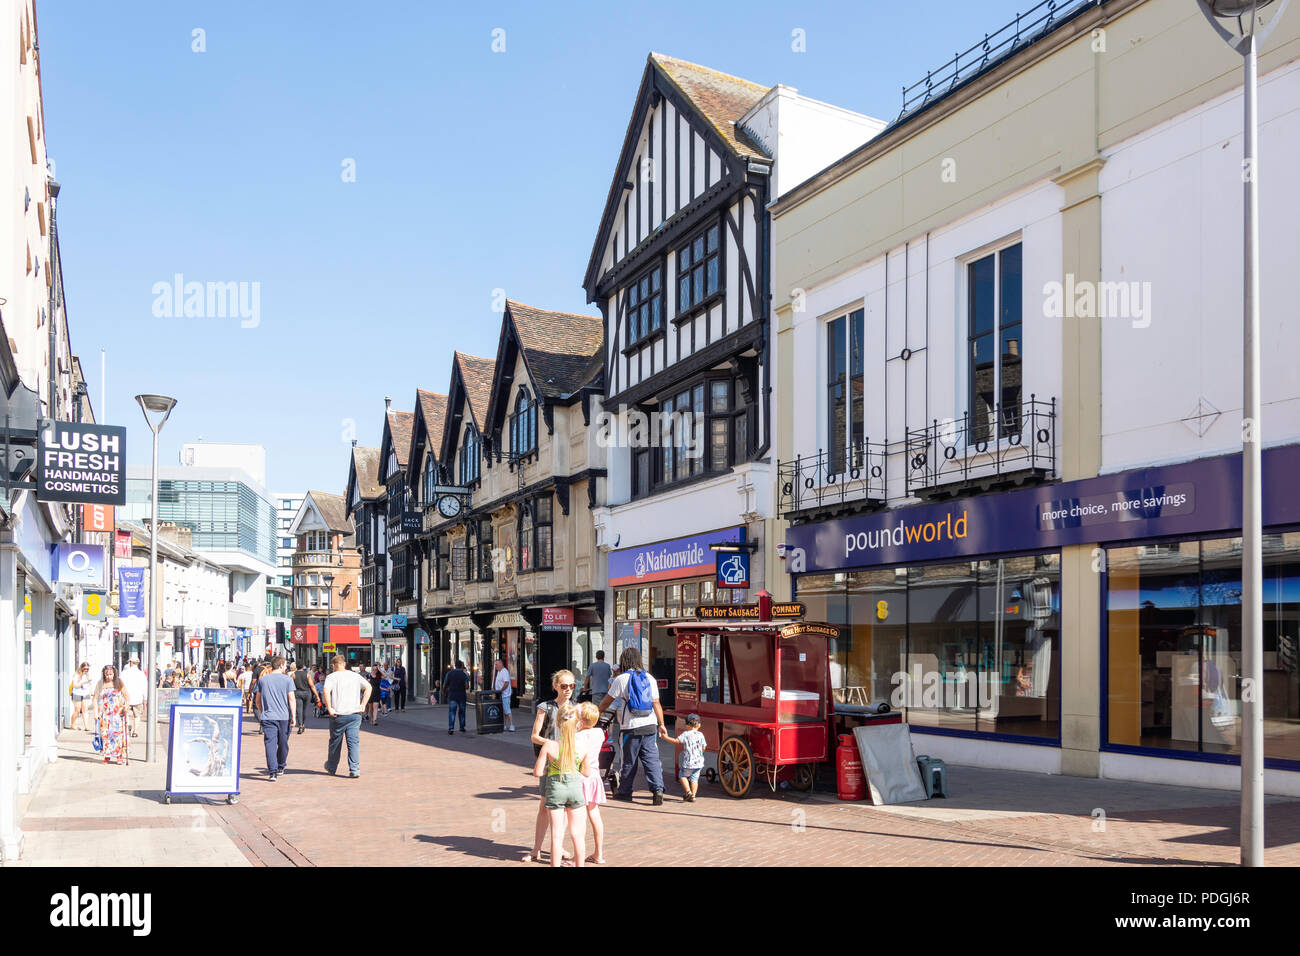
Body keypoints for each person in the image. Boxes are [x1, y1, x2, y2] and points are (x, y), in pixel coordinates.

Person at [598, 647, 666, 805]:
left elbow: (606, 702)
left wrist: (595, 714)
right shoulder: (650, 678)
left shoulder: (621, 679)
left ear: (624, 661)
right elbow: (656, 703)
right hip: (650, 725)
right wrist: (661, 724)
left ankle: (625, 792)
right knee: (652, 760)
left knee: (628, 760)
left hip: (631, 726)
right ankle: (658, 790)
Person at [525, 669, 577, 863]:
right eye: (564, 686)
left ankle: (558, 845)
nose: (568, 690)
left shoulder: (576, 708)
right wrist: (552, 744)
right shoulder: (545, 707)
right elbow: (534, 735)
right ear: (555, 686)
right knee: (545, 806)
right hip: (550, 762)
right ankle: (536, 848)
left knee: (563, 808)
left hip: (569, 763)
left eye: (572, 686)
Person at [530, 703, 588, 868]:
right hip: (575, 790)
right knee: (577, 834)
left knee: (557, 835)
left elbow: (537, 772)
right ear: (578, 724)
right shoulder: (583, 746)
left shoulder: (550, 745)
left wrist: (551, 767)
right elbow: (586, 772)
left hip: (556, 790)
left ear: (557, 724)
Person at [323, 654, 371, 778]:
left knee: (335, 742)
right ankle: (354, 769)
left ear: (333, 666)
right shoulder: (355, 676)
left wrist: (329, 708)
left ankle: (331, 767)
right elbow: (368, 687)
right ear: (344, 664)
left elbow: (326, 691)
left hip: (338, 714)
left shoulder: (331, 677)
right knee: (353, 742)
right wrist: (363, 705)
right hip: (354, 714)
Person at [254, 656, 296, 781]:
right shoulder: (288, 680)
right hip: (284, 717)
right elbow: (291, 699)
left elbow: (257, 700)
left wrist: (262, 711)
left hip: (268, 716)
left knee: (270, 743)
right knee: (283, 743)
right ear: (282, 665)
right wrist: (293, 716)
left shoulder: (263, 680)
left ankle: (272, 771)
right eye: (285, 665)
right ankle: (280, 766)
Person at [576, 701, 607, 863]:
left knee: (578, 819)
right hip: (594, 777)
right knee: (595, 815)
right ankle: (598, 853)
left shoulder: (578, 736)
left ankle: (577, 856)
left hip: (581, 777)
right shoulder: (599, 733)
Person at [659, 712, 706, 802]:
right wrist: (700, 753)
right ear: (699, 725)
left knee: (682, 775)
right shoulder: (701, 735)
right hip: (699, 762)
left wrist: (665, 737)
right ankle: (693, 796)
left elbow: (676, 741)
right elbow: (704, 747)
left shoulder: (686, 734)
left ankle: (688, 792)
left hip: (689, 762)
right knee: (694, 779)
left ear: (687, 725)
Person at [92, 664, 129, 766]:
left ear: (114, 674)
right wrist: (95, 712)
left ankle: (119, 756)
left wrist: (126, 706)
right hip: (105, 713)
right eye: (106, 674)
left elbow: (126, 696)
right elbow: (94, 698)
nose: (109, 676)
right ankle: (107, 756)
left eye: (110, 674)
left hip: (117, 713)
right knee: (106, 735)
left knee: (117, 734)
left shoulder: (118, 682)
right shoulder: (100, 683)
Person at [120, 658, 148, 739]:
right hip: (138, 698)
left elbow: (120, 684)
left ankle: (128, 726)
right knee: (137, 715)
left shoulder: (124, 673)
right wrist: (145, 698)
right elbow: (145, 687)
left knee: (126, 714)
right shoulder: (141, 674)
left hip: (126, 697)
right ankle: (135, 731)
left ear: (131, 663)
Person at [291, 661, 318, 734]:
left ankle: (300, 726)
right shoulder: (307, 674)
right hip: (307, 693)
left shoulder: (293, 675)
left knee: (299, 710)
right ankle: (303, 724)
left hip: (297, 693)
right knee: (304, 710)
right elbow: (312, 685)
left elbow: (290, 685)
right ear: (303, 667)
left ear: (296, 667)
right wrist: (317, 695)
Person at [441, 660, 468, 735]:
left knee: (452, 712)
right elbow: (467, 686)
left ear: (455, 665)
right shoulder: (464, 674)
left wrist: (444, 692)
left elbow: (444, 684)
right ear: (461, 666)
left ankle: (451, 728)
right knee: (462, 712)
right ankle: (462, 727)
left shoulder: (449, 673)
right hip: (461, 695)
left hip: (452, 695)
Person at [70, 662, 94, 731]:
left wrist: (91, 692)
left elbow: (90, 684)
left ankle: (86, 726)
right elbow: (75, 685)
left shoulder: (88, 675)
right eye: (85, 669)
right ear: (81, 668)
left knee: (85, 710)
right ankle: (72, 724)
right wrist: (83, 682)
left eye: (87, 669)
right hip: (77, 693)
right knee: (77, 710)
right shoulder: (76, 675)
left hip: (85, 694)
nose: (86, 670)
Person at [493, 659, 515, 732]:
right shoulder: (499, 672)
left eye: (496, 664)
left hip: (505, 694)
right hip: (501, 694)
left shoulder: (504, 671)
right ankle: (504, 725)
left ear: (500, 664)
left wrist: (501, 690)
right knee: (504, 711)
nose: (495, 666)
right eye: (495, 665)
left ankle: (512, 725)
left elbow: (506, 683)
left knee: (507, 710)